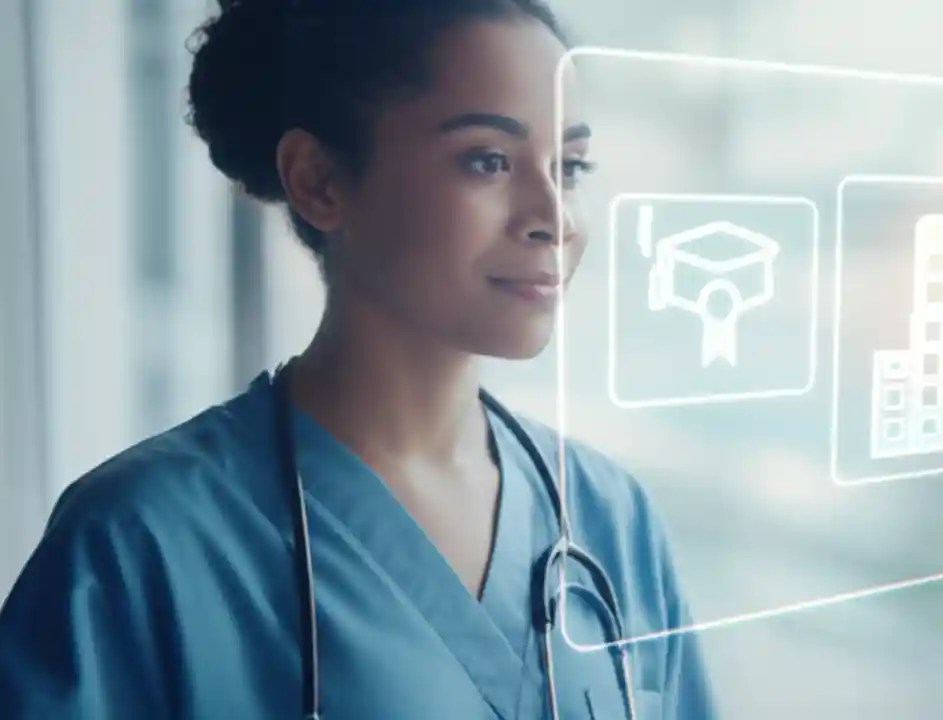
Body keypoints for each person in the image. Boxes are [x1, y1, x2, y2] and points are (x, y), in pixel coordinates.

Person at [0, 0, 717, 717]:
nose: (553, 217)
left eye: (569, 167)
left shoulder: (607, 518)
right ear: (319, 182)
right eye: (488, 161)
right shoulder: (141, 542)